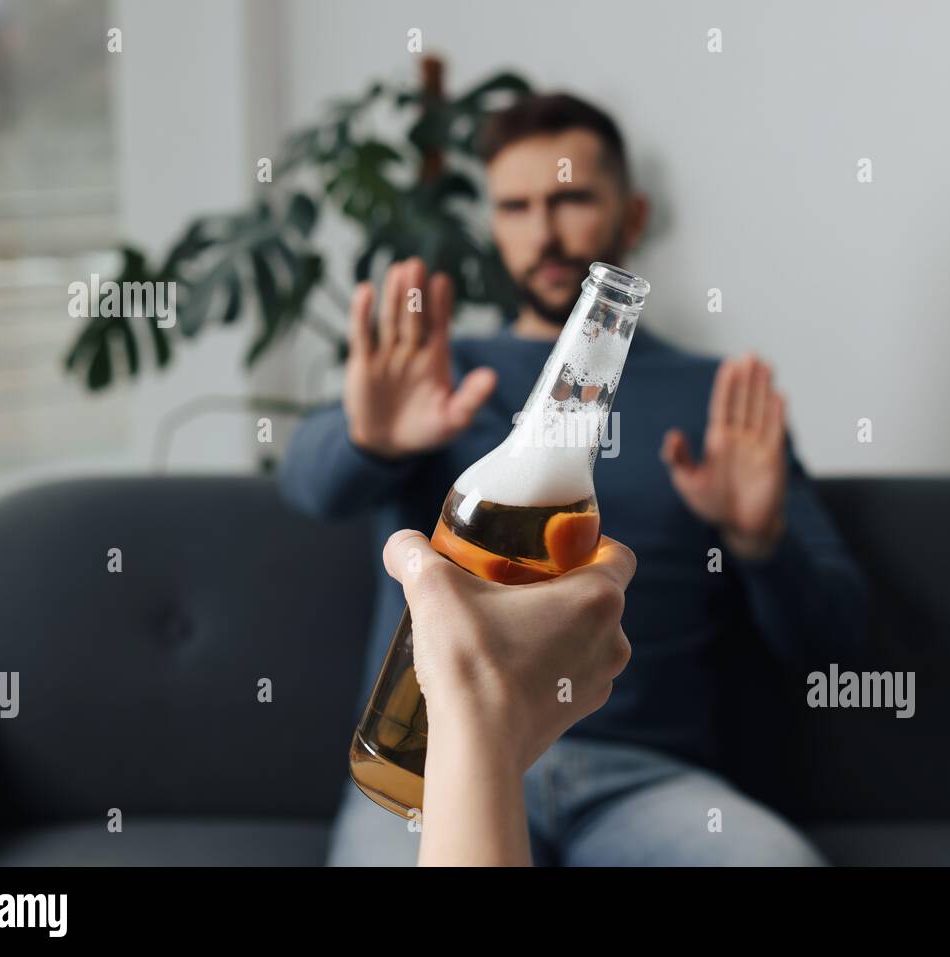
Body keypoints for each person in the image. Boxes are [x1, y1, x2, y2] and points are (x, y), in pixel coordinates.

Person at [279, 93, 869, 866]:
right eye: (515, 207)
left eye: (571, 199)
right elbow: (307, 486)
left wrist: (759, 538)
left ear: (632, 214)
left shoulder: (720, 401)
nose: (544, 233)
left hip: (646, 780)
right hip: (435, 757)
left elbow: (836, 635)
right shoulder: (440, 377)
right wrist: (370, 441)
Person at [384, 528, 635, 865]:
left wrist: (477, 703)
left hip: (637, 769)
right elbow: (321, 498)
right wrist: (480, 705)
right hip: (411, 763)